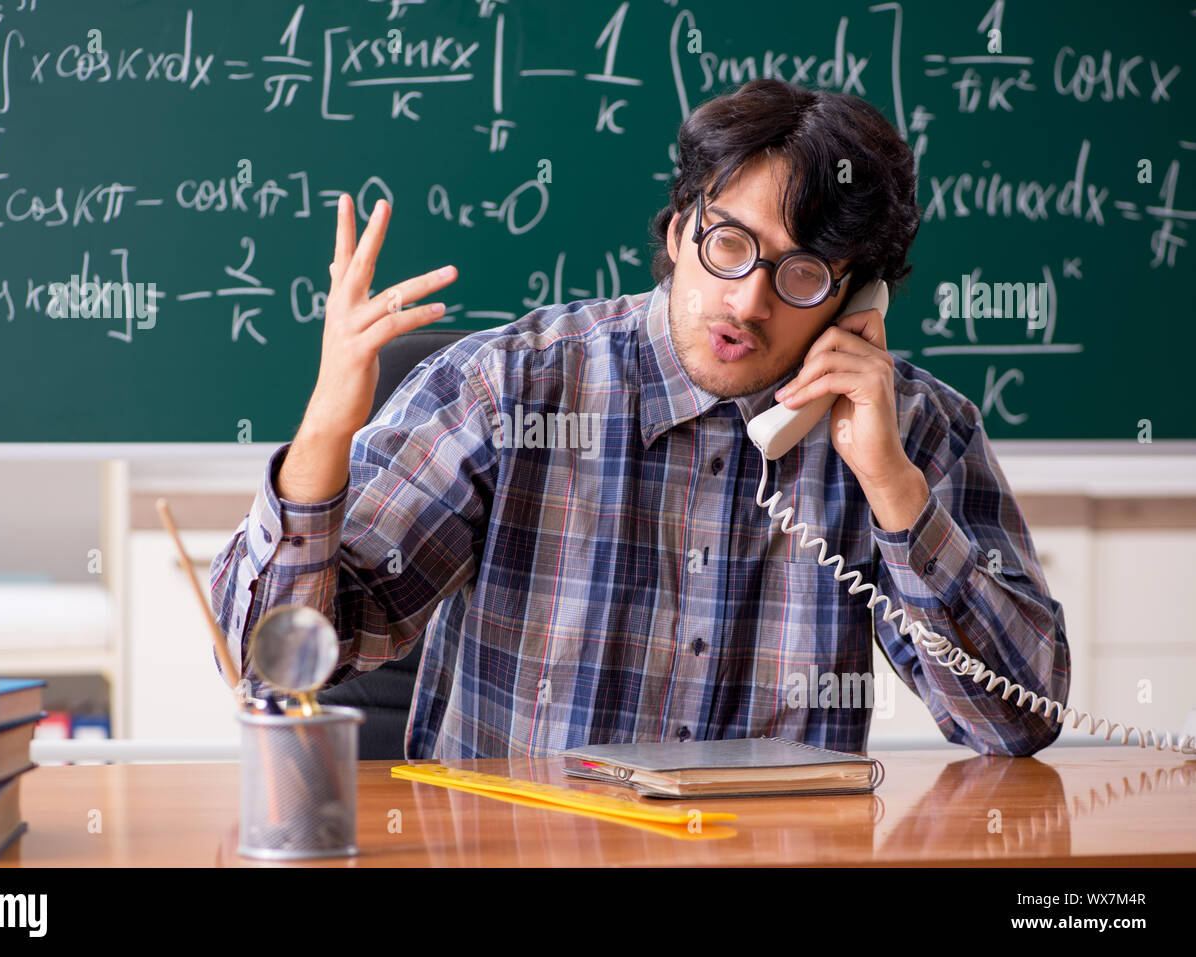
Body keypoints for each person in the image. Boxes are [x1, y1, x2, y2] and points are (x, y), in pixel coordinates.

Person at [210, 78, 1068, 759]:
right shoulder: (512, 387)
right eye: (727, 243)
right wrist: (324, 432)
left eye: (802, 273)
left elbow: (1016, 723)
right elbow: (268, 658)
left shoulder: (914, 431)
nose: (747, 300)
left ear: (858, 298)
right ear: (678, 221)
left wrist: (892, 490)